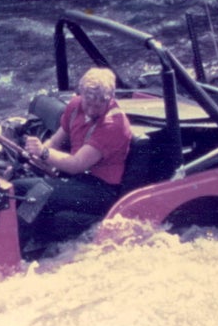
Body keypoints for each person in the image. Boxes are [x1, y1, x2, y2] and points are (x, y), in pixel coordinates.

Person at [14, 66, 133, 256]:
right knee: (16, 181)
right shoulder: (76, 106)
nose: (92, 110)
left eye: (98, 106)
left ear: (109, 99)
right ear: (81, 95)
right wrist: (35, 158)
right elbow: (55, 141)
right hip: (77, 180)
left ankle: (14, 251)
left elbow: (77, 164)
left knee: (31, 192)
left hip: (100, 189)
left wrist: (43, 152)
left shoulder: (113, 125)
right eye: (88, 104)